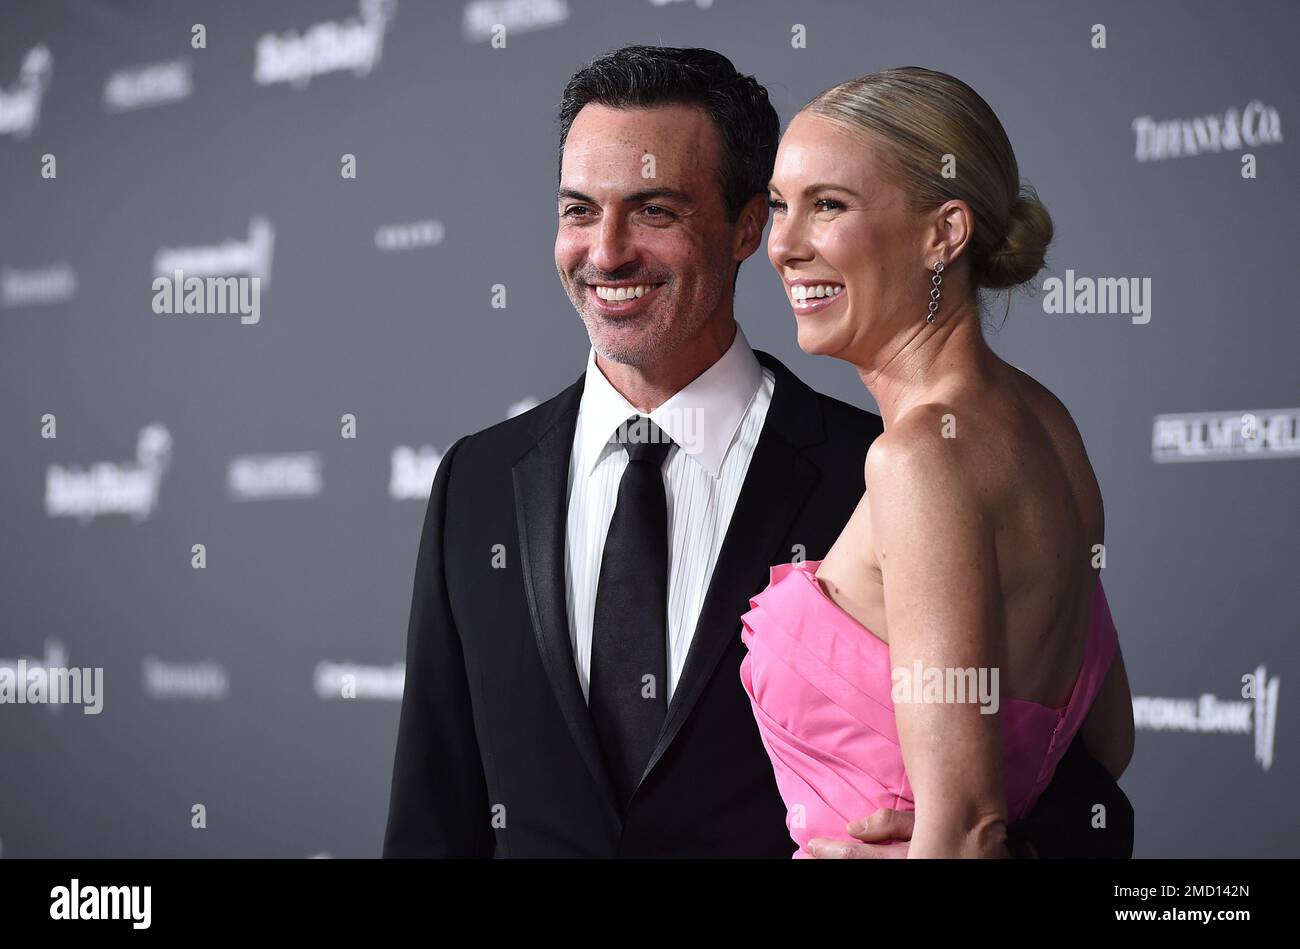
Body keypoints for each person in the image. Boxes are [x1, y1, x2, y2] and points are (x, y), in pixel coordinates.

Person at [382, 47, 1133, 858]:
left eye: (655, 210)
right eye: (577, 211)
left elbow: (1081, 789)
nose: (606, 253)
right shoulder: (478, 483)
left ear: (741, 228)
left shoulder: (884, 466)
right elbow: (434, 815)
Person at [743, 66, 1136, 858]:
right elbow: (1105, 741)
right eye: (782, 204)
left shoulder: (920, 459)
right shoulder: (1045, 421)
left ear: (943, 233)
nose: (782, 245)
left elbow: (967, 828)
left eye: (829, 204)